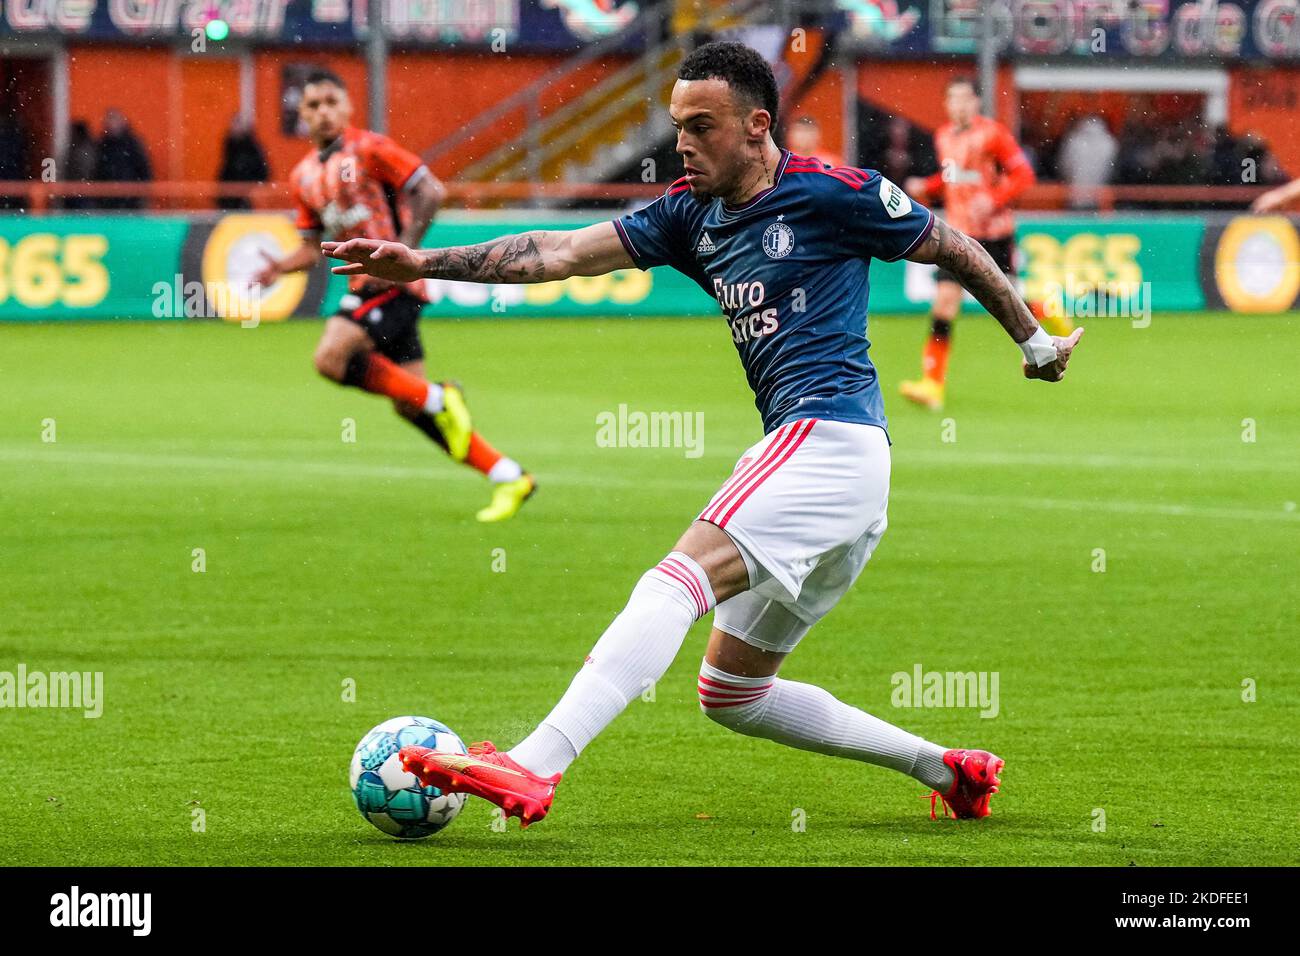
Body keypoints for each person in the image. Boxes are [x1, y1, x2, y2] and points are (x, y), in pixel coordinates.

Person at [324, 42, 1083, 826]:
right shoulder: (687, 214)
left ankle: (533, 765)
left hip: (828, 440)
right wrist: (420, 263)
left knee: (672, 581)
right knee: (733, 693)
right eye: (676, 124)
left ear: (758, 125)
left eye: (701, 125)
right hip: (840, 478)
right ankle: (946, 770)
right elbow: (555, 252)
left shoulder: (835, 193)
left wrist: (1034, 343)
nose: (681, 142)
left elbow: (954, 246)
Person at [252, 69, 535, 522]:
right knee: (409, 404)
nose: (322, 112)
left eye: (330, 102)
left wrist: (403, 252)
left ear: (347, 107)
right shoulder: (303, 176)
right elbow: (309, 249)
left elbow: (430, 191)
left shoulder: (370, 148)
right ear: (301, 115)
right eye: (312, 106)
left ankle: (442, 398)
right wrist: (276, 269)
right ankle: (507, 474)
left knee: (331, 357)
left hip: (392, 285)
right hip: (370, 286)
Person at [900, 77, 1067, 411]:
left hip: (994, 234)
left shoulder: (994, 134)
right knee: (944, 305)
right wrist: (927, 185)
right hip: (957, 236)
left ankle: (1051, 315)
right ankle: (932, 385)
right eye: (953, 99)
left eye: (965, 99)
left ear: (976, 103)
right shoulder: (943, 136)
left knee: (1010, 299)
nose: (959, 105)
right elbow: (953, 177)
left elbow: (1023, 175)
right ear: (947, 105)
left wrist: (993, 199)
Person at [94, 110, 152, 209]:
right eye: (109, 121)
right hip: (107, 200)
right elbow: (96, 170)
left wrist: (141, 194)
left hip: (130, 200)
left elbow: (144, 169)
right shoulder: (102, 144)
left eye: (114, 120)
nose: (112, 124)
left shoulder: (133, 143)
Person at [216, 115, 270, 210]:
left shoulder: (252, 148)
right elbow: (227, 169)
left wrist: (251, 190)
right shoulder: (230, 146)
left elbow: (262, 171)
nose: (235, 128)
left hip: (246, 197)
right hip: (231, 196)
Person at [60, 120, 99, 210]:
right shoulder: (84, 148)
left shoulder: (81, 150)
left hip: (80, 190)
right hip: (78, 189)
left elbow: (85, 171)